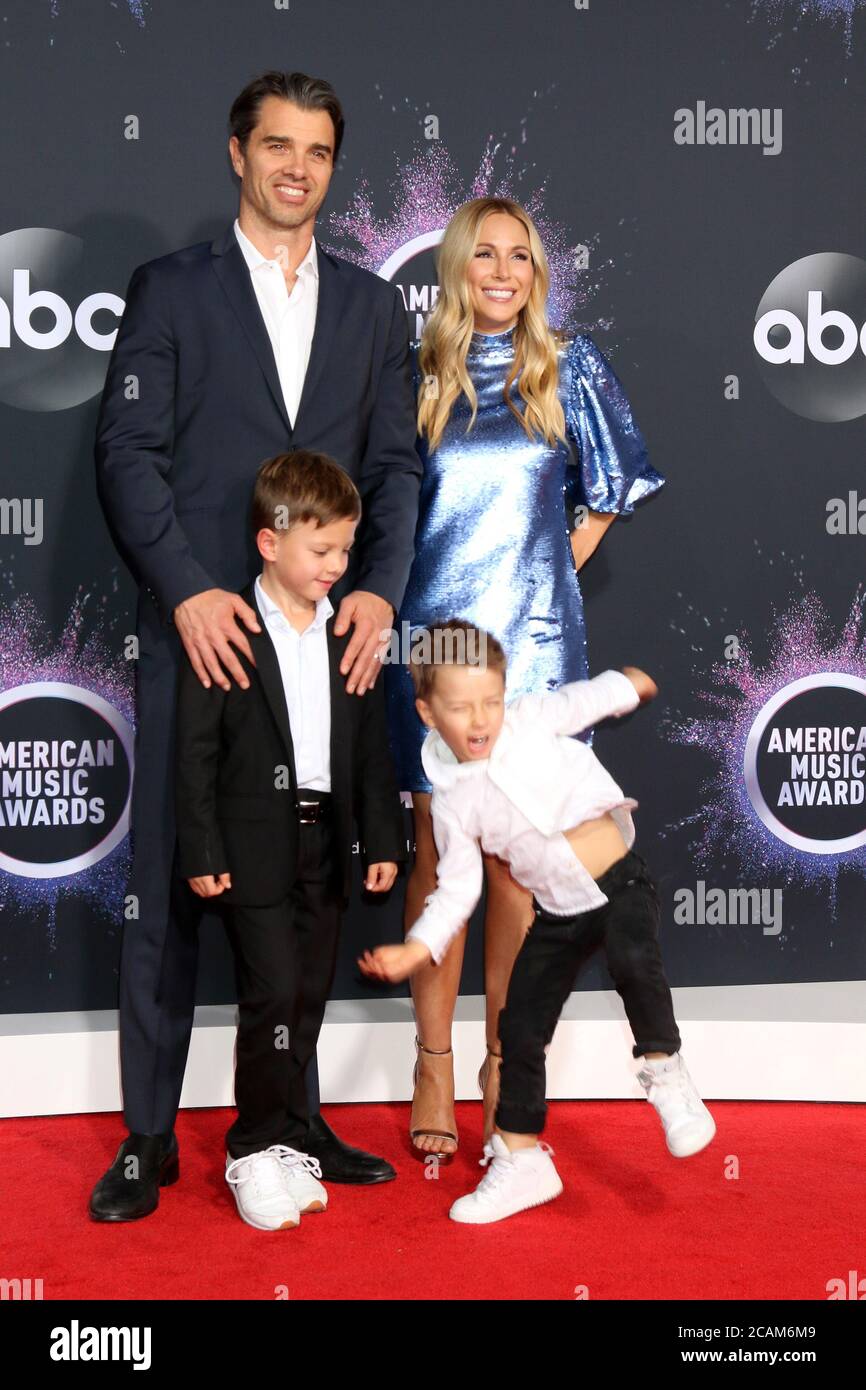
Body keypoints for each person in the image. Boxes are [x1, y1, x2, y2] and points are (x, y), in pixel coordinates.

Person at [91, 69, 421, 1221]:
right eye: (275, 145)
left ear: (334, 167)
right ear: (237, 153)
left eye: (317, 151)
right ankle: (146, 1136)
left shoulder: (377, 308)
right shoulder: (172, 291)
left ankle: (289, 1117)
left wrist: (376, 589)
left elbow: (393, 468)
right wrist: (184, 588)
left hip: (323, 641)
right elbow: (128, 452)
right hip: (205, 637)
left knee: (313, 891)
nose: (296, 166)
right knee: (172, 887)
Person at [384, 196, 665, 1159]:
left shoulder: (567, 367)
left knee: (519, 868)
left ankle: (507, 1065)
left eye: (521, 257)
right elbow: (388, 513)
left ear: (535, 272)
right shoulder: (415, 375)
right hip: (438, 651)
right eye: (486, 255)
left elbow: (613, 488)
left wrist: (552, 574)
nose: (503, 272)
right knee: (437, 861)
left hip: (533, 652)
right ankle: (432, 1062)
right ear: (458, 265)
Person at [362, 621, 715, 1225]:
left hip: (618, 883)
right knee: (519, 1028)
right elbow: (457, 890)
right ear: (426, 712)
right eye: (461, 707)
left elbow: (585, 701)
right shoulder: (450, 801)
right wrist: (417, 949)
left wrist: (628, 686)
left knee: (634, 958)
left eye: (491, 702)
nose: (481, 721)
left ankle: (667, 1076)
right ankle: (523, 1160)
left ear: (507, 693)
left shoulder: (527, 718)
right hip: (558, 914)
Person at [174, 452, 406, 1230]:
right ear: (270, 543)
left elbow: (371, 749)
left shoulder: (349, 632)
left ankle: (287, 1142)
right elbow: (196, 751)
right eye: (322, 551)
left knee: (307, 993)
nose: (336, 566)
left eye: (345, 551)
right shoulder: (229, 628)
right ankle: (251, 1148)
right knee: (270, 991)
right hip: (252, 847)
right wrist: (202, 850)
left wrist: (381, 837)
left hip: (328, 843)